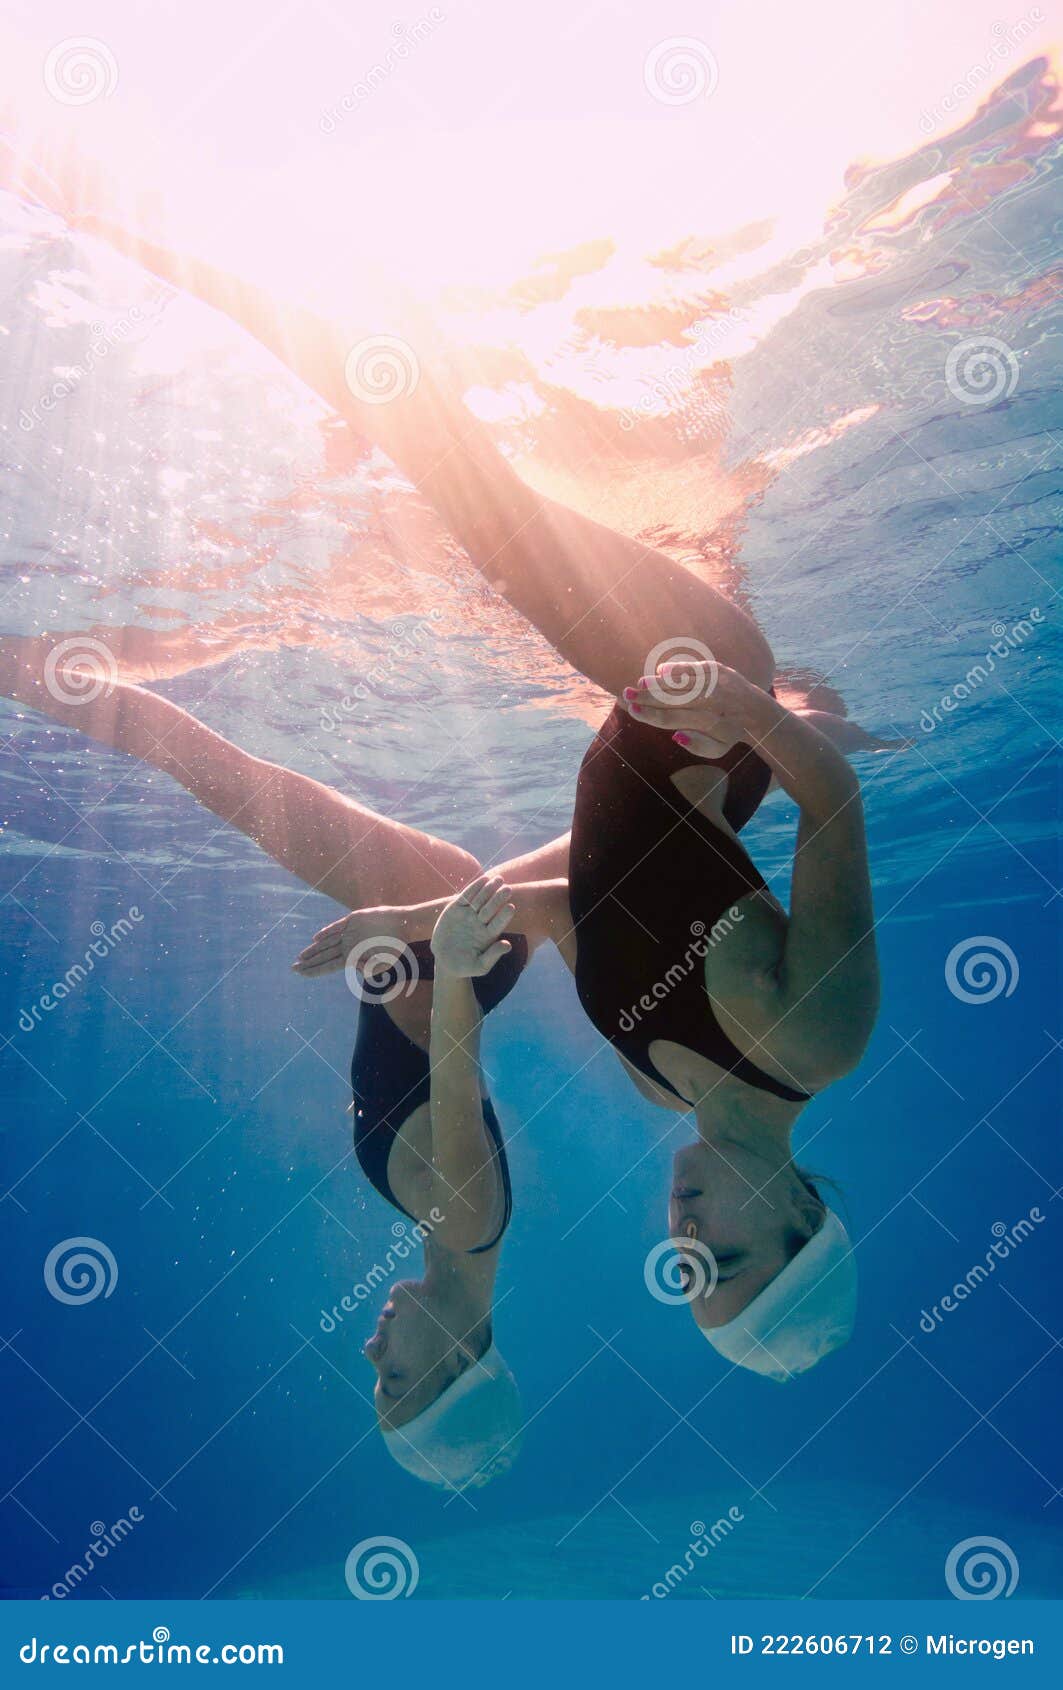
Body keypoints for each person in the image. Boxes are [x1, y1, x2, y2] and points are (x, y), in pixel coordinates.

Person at [19, 204, 888, 1378]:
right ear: (801, 1219)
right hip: (693, 688)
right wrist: (766, 717)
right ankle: (144, 221)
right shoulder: (820, 1040)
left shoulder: (645, 1082)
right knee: (446, 464)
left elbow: (572, 899)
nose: (683, 1238)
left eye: (683, 1271)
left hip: (637, 729)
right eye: (725, 1257)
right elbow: (832, 808)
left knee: (449, 495)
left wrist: (418, 924)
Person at [0, 631, 563, 1482]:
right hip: (420, 918)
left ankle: (784, 717)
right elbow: (456, 1038)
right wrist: (397, 926)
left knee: (621, 846)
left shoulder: (456, 1235)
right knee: (199, 763)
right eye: (396, 1378)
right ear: (460, 1364)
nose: (371, 1354)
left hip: (445, 922)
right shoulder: (465, 1220)